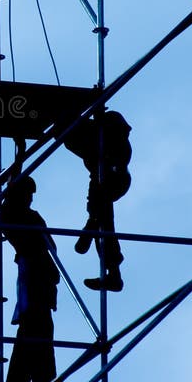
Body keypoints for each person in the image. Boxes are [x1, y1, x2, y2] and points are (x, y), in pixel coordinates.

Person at [0, 141, 69, 382]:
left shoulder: (26, 212)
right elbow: (12, 181)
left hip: (43, 274)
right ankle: (36, 379)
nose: (30, 198)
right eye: (27, 194)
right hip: (32, 273)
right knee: (33, 329)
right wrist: (20, 155)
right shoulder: (10, 212)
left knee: (38, 329)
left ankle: (34, 380)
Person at [64, 109, 132, 292]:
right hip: (100, 183)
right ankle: (113, 272)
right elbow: (74, 143)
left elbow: (114, 157)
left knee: (103, 221)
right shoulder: (95, 142)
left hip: (113, 181)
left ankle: (92, 224)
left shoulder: (119, 145)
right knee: (104, 222)